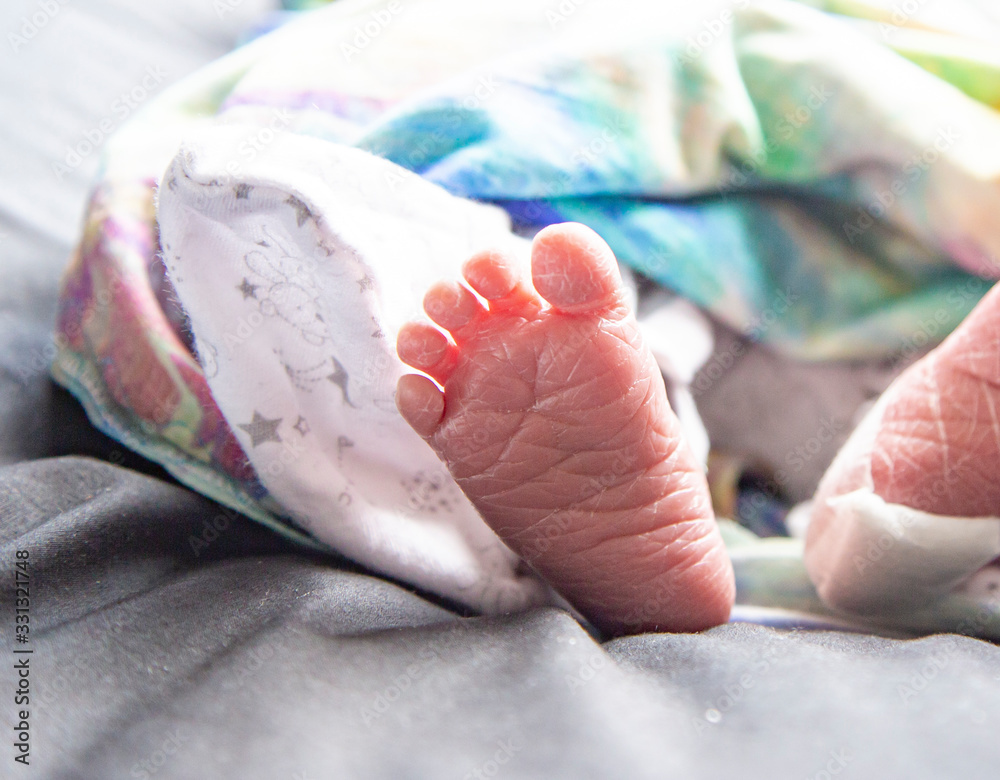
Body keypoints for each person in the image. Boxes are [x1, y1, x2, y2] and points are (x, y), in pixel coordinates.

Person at [395, 222, 1000, 635]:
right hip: (859, 369)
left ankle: (655, 549)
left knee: (610, 314)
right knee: (594, 332)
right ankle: (908, 534)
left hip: (797, 334)